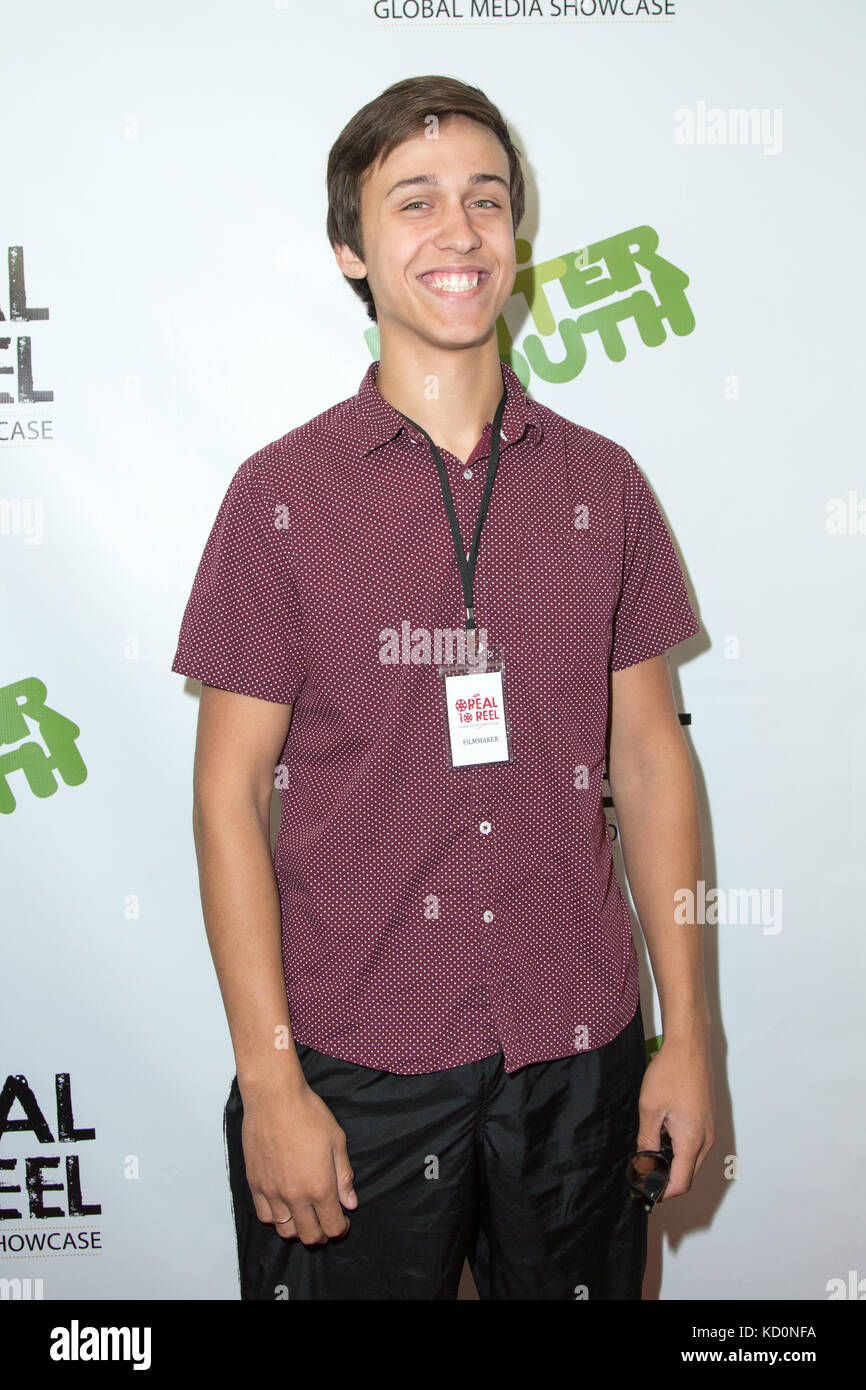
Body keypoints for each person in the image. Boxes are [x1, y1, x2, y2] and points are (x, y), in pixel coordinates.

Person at [171, 74, 715, 1301]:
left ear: (517, 239)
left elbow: (648, 759)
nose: (456, 231)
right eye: (412, 202)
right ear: (350, 249)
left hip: (576, 1052)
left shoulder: (605, 486)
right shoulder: (280, 497)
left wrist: (683, 1040)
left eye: (485, 200)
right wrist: (270, 1082)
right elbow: (225, 800)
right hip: (356, 1059)